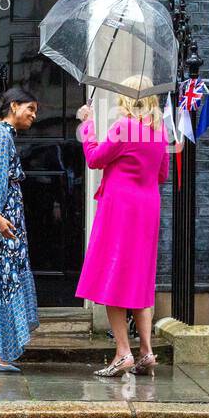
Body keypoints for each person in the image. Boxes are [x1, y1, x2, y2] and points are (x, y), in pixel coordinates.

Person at [76, 76, 170, 378]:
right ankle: (146, 351)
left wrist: (88, 124)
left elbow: (94, 159)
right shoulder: (159, 131)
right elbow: (163, 174)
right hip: (148, 207)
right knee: (140, 279)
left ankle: (122, 352)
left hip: (121, 208)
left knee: (111, 276)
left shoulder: (124, 127)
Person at [0, 86, 40, 372]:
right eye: (31, 109)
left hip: (7, 218)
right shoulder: (0, 136)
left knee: (6, 279)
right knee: (5, 280)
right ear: (14, 106)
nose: (33, 116)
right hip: (3, 222)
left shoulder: (4, 136)